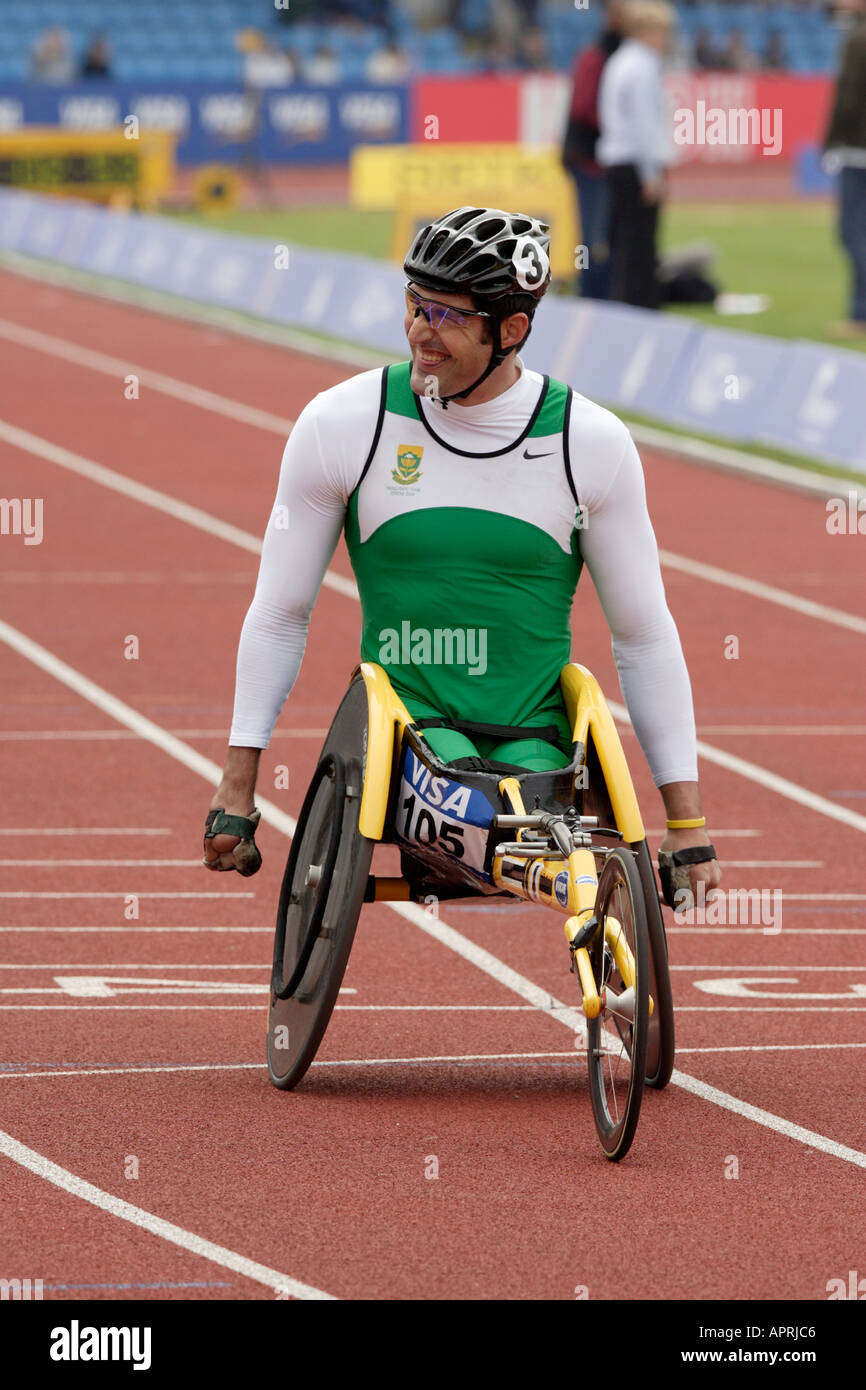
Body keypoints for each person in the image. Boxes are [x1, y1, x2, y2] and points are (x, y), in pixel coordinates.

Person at [202, 207, 722, 910]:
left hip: (533, 735)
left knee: (535, 801)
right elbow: (280, 612)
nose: (421, 331)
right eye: (415, 304)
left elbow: (644, 634)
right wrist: (239, 782)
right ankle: (500, 836)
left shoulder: (589, 442)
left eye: (448, 315)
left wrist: (685, 824)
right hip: (407, 735)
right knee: (475, 798)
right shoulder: (344, 423)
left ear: (511, 330)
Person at [597, 0, 675, 310]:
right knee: (641, 243)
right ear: (648, 31)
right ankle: (641, 304)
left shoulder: (619, 61)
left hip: (618, 159)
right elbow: (644, 123)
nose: (667, 38)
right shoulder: (642, 66)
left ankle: (625, 302)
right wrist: (650, 173)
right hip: (635, 162)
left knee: (625, 242)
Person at [561, 0, 625, 300]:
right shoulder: (595, 58)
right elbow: (584, 108)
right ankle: (590, 294)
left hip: (598, 158)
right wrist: (618, 123)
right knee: (591, 235)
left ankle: (598, 293)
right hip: (589, 159)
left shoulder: (606, 56)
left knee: (599, 234)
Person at [823, 0, 866, 337]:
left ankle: (860, 313)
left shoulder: (858, 40)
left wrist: (831, 142)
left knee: (852, 232)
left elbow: (847, 98)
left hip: (857, 149)